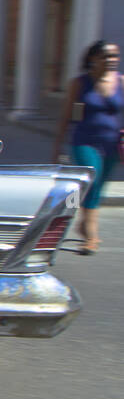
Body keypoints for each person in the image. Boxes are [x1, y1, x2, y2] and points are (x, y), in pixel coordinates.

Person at [54, 40, 122, 254]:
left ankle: (84, 224)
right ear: (93, 59)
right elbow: (69, 115)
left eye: (114, 56)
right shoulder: (80, 83)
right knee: (91, 181)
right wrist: (59, 145)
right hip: (84, 141)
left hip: (111, 144)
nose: (111, 60)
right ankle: (91, 235)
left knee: (99, 186)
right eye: (105, 56)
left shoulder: (121, 81)